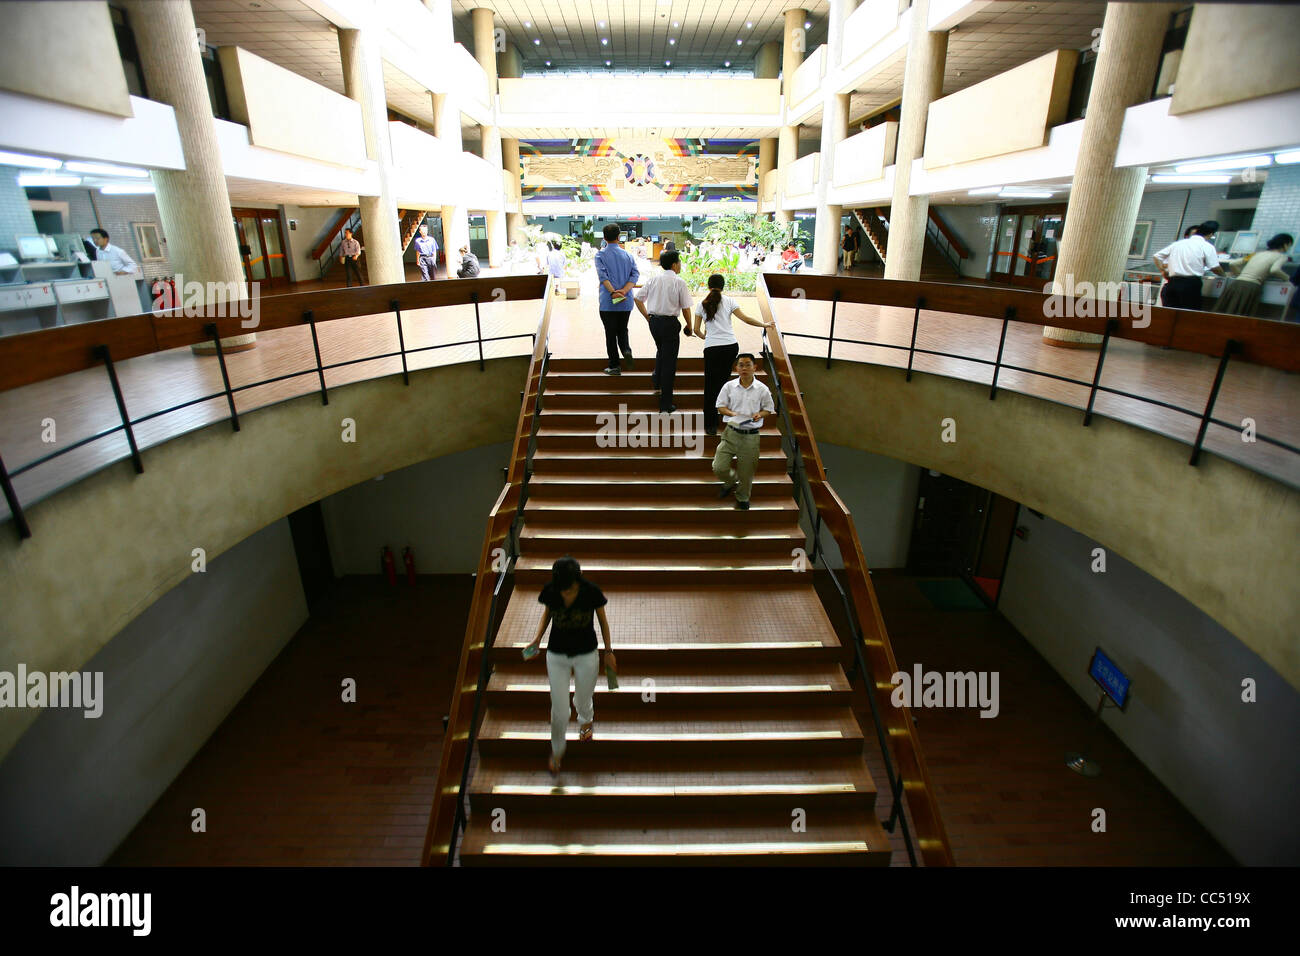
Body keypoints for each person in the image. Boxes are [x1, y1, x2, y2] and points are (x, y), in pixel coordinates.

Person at [524, 556, 615, 775]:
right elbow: (547, 614)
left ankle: (585, 720)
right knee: (560, 710)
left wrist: (609, 651)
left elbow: (603, 621)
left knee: (583, 698)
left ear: (577, 580)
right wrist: (537, 639)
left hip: (586, 654)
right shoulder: (552, 590)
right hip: (556, 655)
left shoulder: (591, 591)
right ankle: (557, 751)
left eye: (568, 588)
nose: (564, 592)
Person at [693, 273, 774, 436]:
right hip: (730, 347)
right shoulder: (729, 301)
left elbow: (696, 330)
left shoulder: (702, 304)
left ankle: (710, 424)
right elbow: (745, 319)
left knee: (710, 384)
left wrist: (706, 337)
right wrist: (764, 324)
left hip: (711, 348)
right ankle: (724, 414)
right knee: (723, 383)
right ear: (723, 286)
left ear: (708, 286)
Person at [713, 353, 775, 511]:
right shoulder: (729, 386)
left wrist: (759, 415)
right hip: (731, 432)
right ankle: (730, 480)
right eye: (741, 365)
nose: (744, 368)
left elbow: (768, 409)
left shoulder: (762, 389)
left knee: (747, 473)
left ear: (755, 367)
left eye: (748, 365)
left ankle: (742, 497)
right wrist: (731, 413)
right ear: (736, 368)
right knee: (718, 467)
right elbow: (720, 406)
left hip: (750, 437)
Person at [634, 249, 693, 413]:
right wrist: (690, 326)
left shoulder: (653, 280)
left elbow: (637, 299)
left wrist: (648, 317)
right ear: (674, 264)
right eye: (679, 262)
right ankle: (665, 405)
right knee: (670, 362)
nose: (680, 265)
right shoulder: (679, 282)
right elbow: (686, 308)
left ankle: (656, 379)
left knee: (662, 350)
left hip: (655, 323)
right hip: (669, 323)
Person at [594, 223, 639, 374]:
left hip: (608, 302)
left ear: (604, 238)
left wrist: (614, 292)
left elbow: (603, 276)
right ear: (619, 237)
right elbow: (635, 275)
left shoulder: (600, 255)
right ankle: (626, 349)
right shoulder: (628, 255)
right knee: (623, 329)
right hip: (625, 302)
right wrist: (624, 291)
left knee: (610, 333)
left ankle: (614, 366)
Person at [1153, 220, 1225, 310]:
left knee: (1170, 315)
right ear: (1211, 234)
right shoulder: (1206, 246)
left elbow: (1157, 256)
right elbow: (1215, 268)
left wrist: (1162, 271)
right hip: (1190, 285)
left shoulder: (1178, 244)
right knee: (1189, 315)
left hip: (1172, 283)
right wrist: (1224, 276)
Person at [1217, 233, 1293, 315]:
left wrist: (1240, 274)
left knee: (1224, 312)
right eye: (1289, 245)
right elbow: (1274, 270)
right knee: (1241, 315)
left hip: (1236, 284)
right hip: (1251, 287)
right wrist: (1288, 279)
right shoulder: (1281, 256)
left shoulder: (1256, 254)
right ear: (1285, 244)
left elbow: (1233, 263)